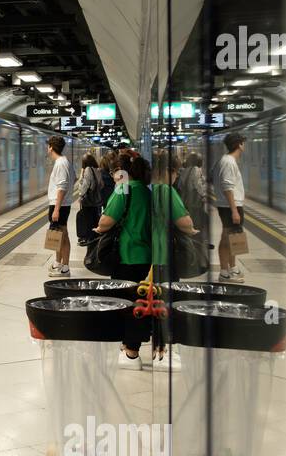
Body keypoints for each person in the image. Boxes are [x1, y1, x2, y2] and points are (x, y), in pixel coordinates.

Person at [95, 154, 197, 369]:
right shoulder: (147, 190)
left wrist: (100, 225)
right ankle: (159, 352)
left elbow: (106, 221)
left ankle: (131, 352)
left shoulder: (124, 189)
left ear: (121, 172)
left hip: (129, 255)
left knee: (133, 307)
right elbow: (184, 223)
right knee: (157, 303)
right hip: (152, 256)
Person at [150, 150, 198, 371]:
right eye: (176, 172)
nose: (177, 176)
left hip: (150, 254)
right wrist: (192, 228)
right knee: (167, 302)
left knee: (154, 300)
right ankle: (163, 351)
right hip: (166, 254)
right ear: (168, 171)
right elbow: (184, 222)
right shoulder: (167, 191)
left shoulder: (147, 189)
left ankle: (156, 347)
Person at [213, 133, 246, 282]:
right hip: (229, 206)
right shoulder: (228, 162)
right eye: (243, 143)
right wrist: (234, 210)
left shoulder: (228, 160)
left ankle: (232, 268)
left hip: (231, 205)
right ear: (239, 144)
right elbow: (227, 187)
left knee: (233, 237)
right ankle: (224, 272)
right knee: (227, 238)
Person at [45, 135, 73, 276]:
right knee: (60, 234)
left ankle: (64, 267)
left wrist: (56, 209)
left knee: (61, 235)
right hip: (61, 204)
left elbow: (62, 186)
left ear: (51, 147)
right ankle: (59, 264)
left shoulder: (61, 163)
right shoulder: (63, 162)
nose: (47, 149)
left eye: (48, 146)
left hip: (60, 205)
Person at [71, 153, 103, 245]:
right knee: (94, 217)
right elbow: (101, 185)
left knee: (87, 218)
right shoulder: (98, 170)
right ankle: (93, 237)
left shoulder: (88, 170)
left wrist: (81, 195)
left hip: (88, 200)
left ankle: (88, 237)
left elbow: (85, 185)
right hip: (96, 199)